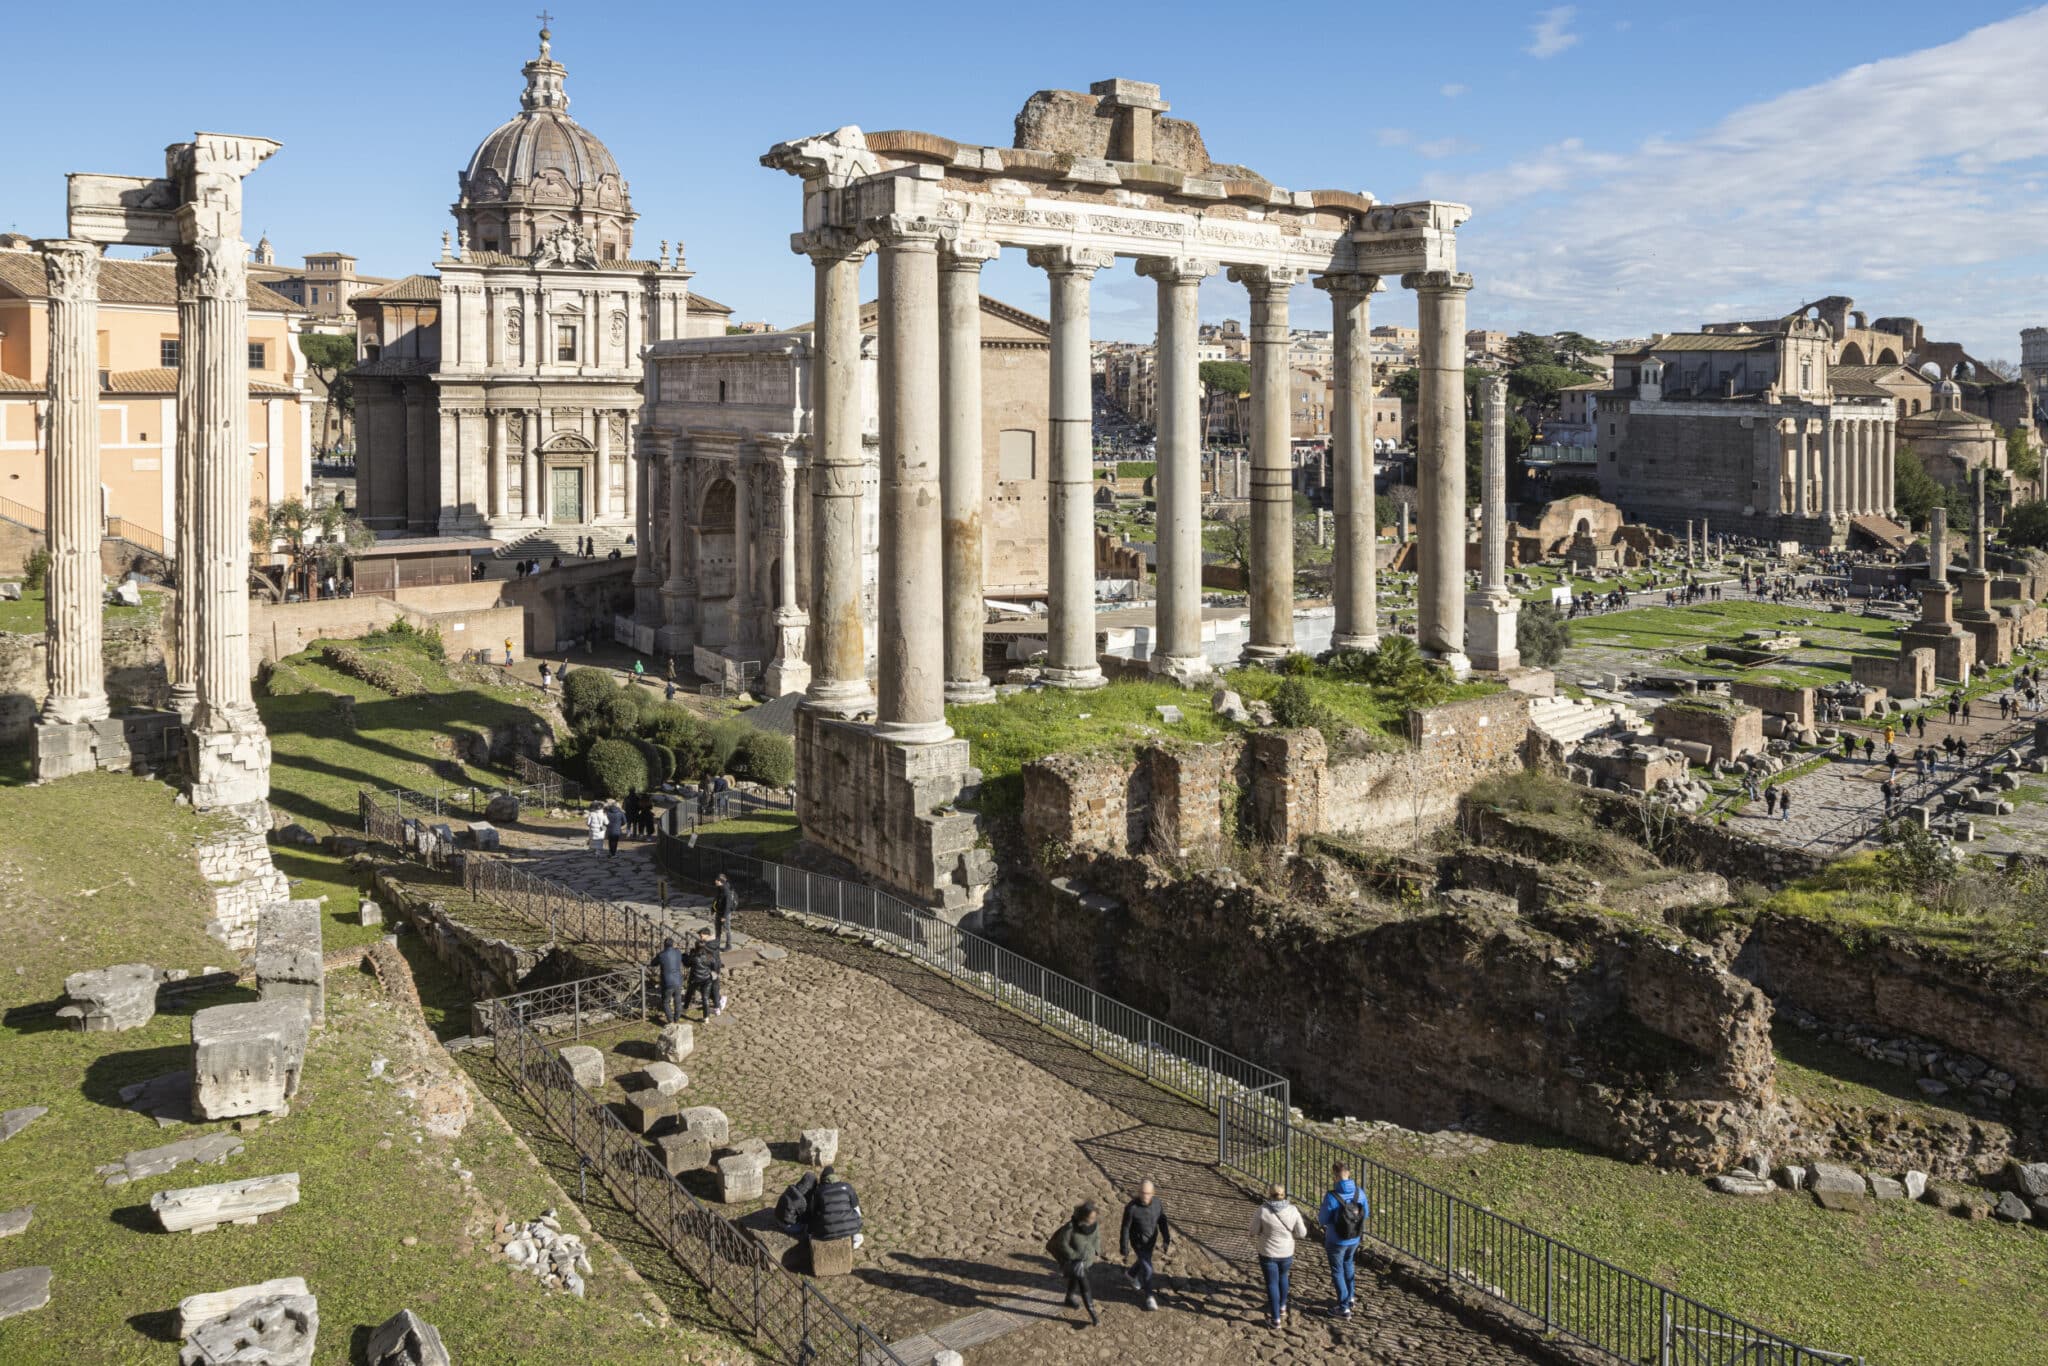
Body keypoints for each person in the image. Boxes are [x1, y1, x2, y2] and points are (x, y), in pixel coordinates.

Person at [1251, 1183, 1308, 1330]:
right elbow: (1302, 1233)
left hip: (1268, 1252)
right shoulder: (1293, 1210)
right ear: (1285, 1195)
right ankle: (1282, 1306)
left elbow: (1253, 1230)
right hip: (1287, 1252)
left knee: (1271, 1283)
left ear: (1269, 1194)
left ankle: (1275, 1319)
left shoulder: (1262, 1210)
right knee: (1283, 1277)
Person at [1318, 1165, 1369, 1319]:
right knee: (1348, 1264)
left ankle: (1343, 1307)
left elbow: (1323, 1219)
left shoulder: (1331, 1196)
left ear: (1336, 1176)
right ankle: (1351, 1297)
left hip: (1336, 1240)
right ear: (1349, 1174)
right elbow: (1365, 1214)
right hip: (1354, 1238)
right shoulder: (1359, 1193)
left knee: (1337, 1270)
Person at [1119, 1179, 1171, 1312]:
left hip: (1151, 1240)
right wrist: (1124, 1246)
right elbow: (1125, 1228)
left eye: (1147, 1193)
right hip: (1138, 1243)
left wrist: (1166, 1238)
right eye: (1142, 1192)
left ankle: (1131, 1274)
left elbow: (1162, 1221)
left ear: (1153, 1193)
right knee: (1148, 1269)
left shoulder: (1157, 1204)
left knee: (1144, 1261)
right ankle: (1149, 1297)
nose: (1144, 1196)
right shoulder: (1131, 1208)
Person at [1048, 1201, 1102, 1327]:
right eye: (1091, 1218)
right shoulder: (1070, 1228)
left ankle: (1069, 1299)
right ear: (1083, 1216)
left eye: (1094, 1217)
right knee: (1084, 1283)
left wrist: (1097, 1249)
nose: (1093, 1220)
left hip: (1087, 1260)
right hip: (1075, 1262)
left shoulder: (1094, 1225)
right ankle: (1093, 1313)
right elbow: (1062, 1244)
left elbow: (1096, 1237)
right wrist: (1074, 1256)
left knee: (1075, 1277)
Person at [808, 1166, 865, 1250]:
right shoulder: (847, 1186)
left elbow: (813, 1211)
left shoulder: (818, 1191)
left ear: (822, 1179)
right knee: (854, 1208)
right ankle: (856, 1235)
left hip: (826, 1232)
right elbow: (855, 1205)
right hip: (851, 1227)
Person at [682, 929, 722, 1020]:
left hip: (695, 978)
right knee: (705, 997)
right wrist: (713, 972)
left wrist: (684, 956)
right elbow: (714, 964)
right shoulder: (709, 956)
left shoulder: (694, 957)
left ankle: (685, 1009)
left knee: (689, 993)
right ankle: (706, 1017)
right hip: (707, 978)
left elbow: (687, 963)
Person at [650, 935, 686, 1024]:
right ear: (673, 944)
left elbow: (653, 963)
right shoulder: (678, 952)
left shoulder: (661, 955)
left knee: (666, 1001)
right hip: (678, 980)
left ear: (664, 945)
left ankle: (670, 1020)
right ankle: (677, 1019)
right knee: (678, 1000)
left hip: (667, 982)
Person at [775, 1169, 818, 1236]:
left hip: (777, 1218)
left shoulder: (791, 1187)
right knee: (808, 1225)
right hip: (788, 1226)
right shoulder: (802, 1200)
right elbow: (805, 1219)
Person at [714, 873, 738, 950]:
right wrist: (713, 908)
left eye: (717, 880)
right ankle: (717, 944)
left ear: (720, 881)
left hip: (725, 913)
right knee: (717, 929)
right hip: (718, 911)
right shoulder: (719, 888)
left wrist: (724, 916)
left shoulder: (726, 891)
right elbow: (717, 899)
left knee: (727, 929)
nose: (715, 881)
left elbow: (728, 905)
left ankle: (728, 945)